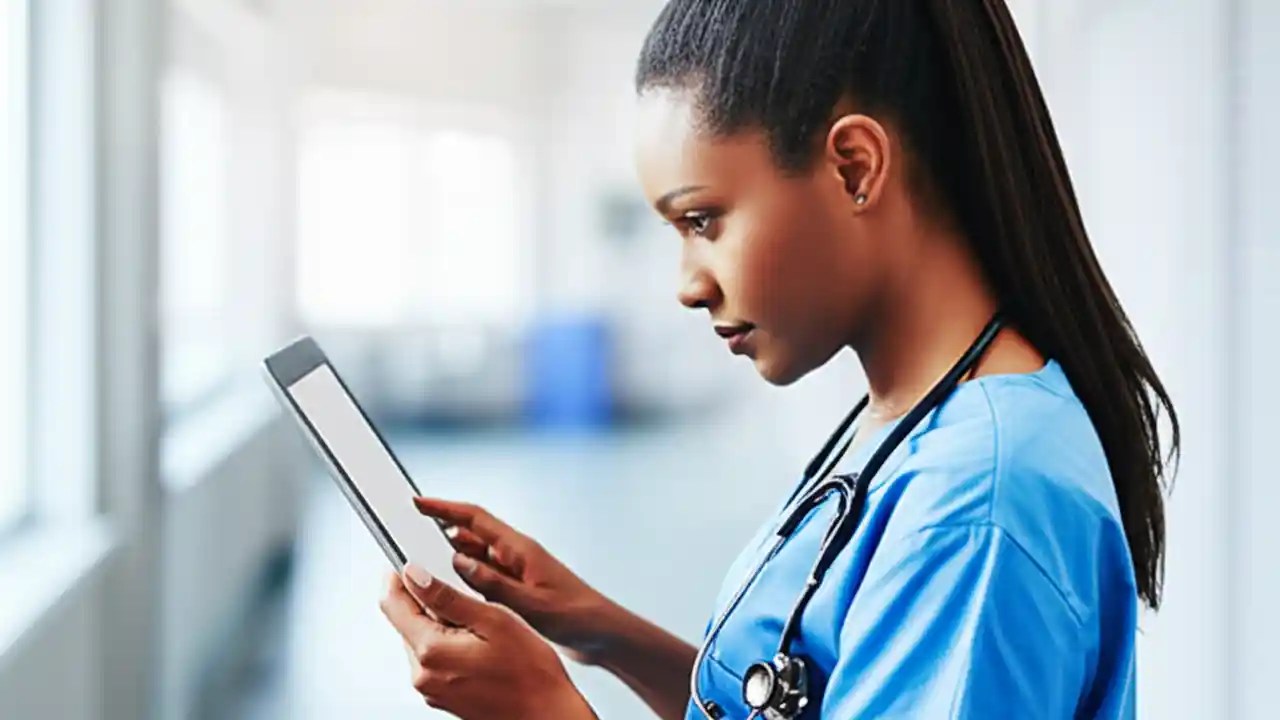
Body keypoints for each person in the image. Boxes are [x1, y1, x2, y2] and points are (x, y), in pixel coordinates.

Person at [377, 1, 1180, 717]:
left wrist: (542, 711)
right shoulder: (907, 422)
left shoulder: (980, 505)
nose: (689, 287)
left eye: (703, 221)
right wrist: (599, 628)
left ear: (854, 167)